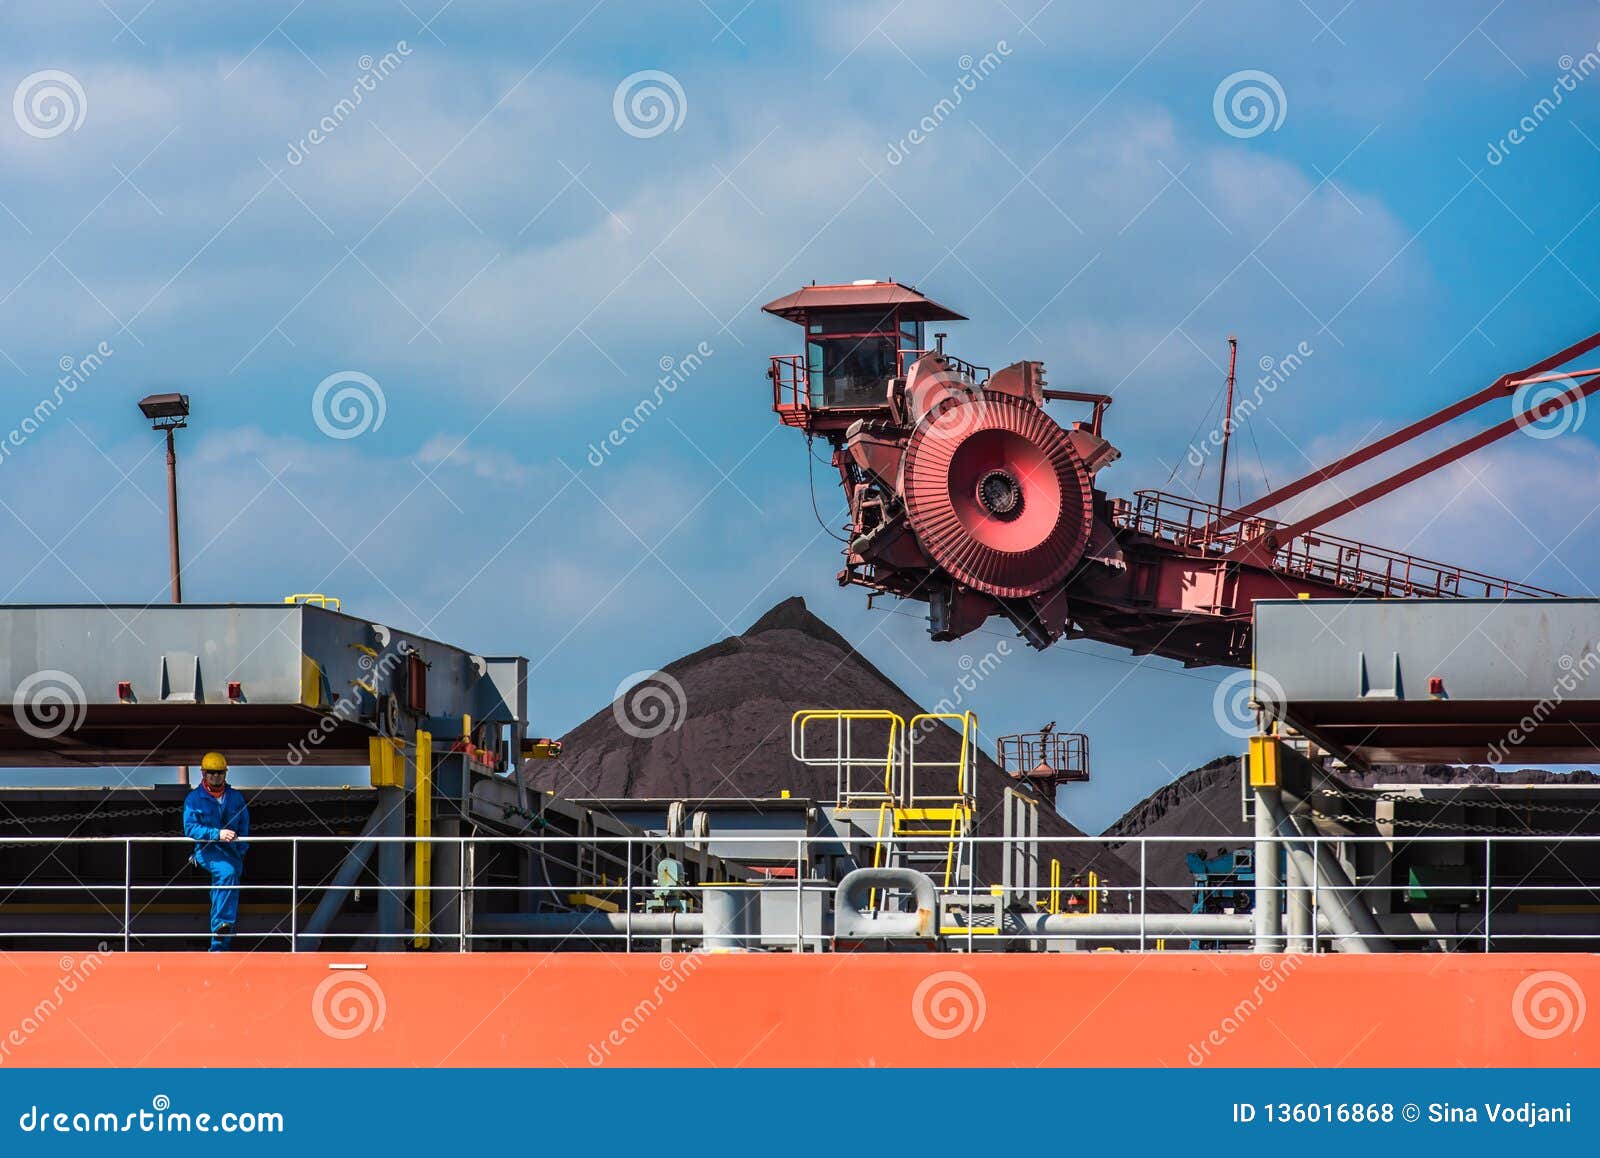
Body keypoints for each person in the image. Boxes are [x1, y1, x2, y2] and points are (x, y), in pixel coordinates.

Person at [182, 752, 251, 951]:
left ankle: (221, 940)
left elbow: (244, 825)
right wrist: (217, 834)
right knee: (227, 873)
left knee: (227, 881)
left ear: (225, 774)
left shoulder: (235, 797)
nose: (215, 776)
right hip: (207, 850)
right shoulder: (194, 799)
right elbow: (191, 828)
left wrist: (241, 849)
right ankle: (220, 932)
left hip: (233, 851)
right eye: (211, 772)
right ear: (203, 773)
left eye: (219, 772)